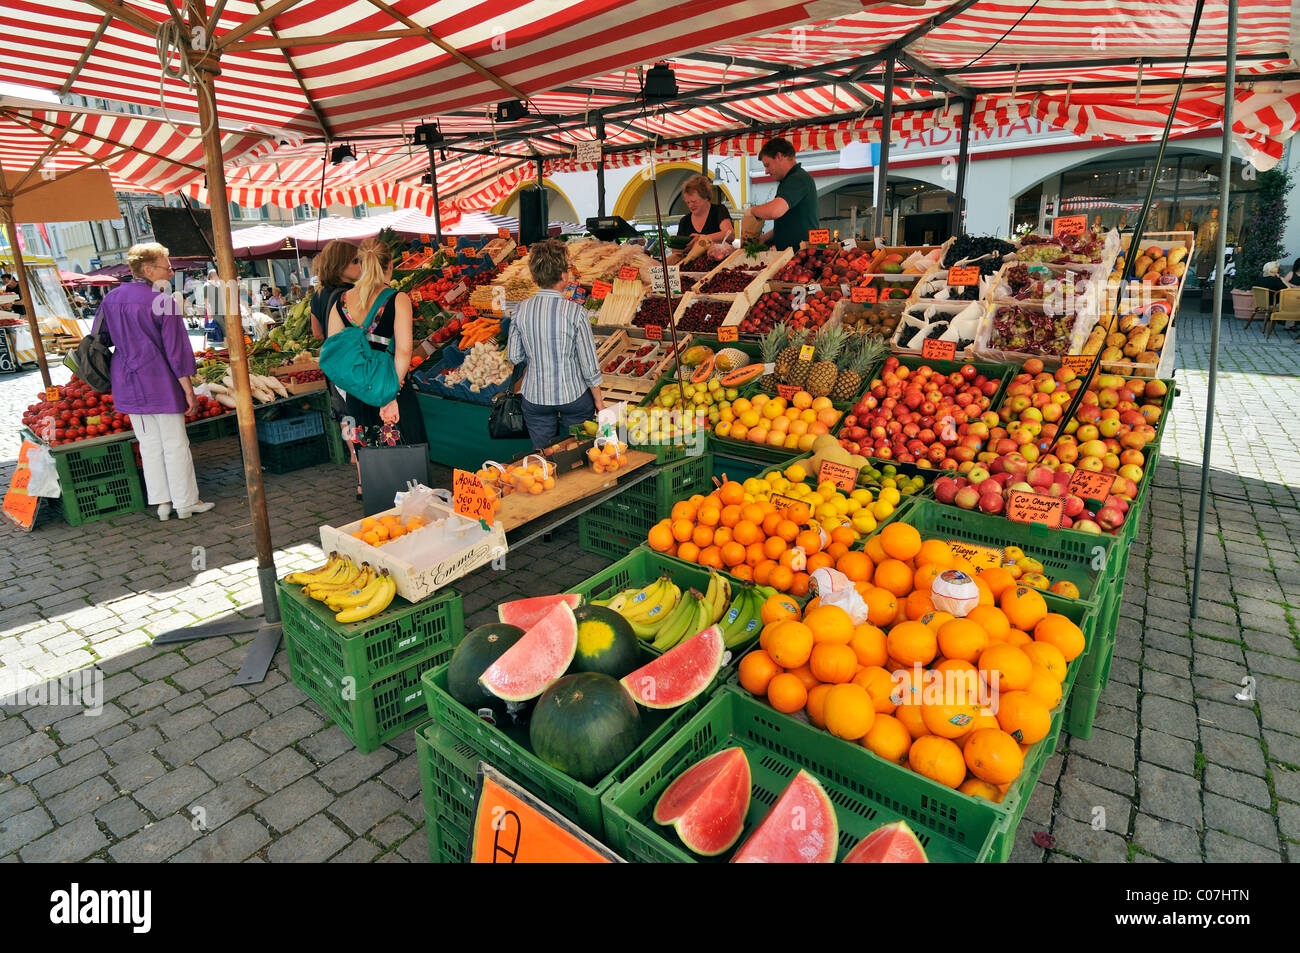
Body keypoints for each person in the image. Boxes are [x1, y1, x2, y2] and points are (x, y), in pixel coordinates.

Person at [95, 243, 214, 521]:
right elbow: (177, 351)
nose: (172, 273)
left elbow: (100, 338)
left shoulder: (111, 299)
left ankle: (162, 504)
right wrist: (189, 392)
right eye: (167, 267)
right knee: (174, 444)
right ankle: (185, 503)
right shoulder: (163, 301)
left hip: (127, 380)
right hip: (160, 381)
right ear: (148, 270)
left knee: (148, 445)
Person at [326, 238, 424, 495]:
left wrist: (358, 389)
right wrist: (389, 396)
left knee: (371, 462)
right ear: (389, 264)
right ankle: (413, 518)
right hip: (394, 390)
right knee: (408, 460)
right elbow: (403, 351)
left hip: (359, 395)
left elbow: (336, 354)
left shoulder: (341, 302)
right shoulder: (397, 299)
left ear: (361, 263)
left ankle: (379, 513)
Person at [507, 239, 604, 450]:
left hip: (535, 396)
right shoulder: (576, 312)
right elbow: (589, 364)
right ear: (564, 275)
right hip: (574, 397)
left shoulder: (520, 310)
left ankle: (546, 472)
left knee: (544, 454)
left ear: (534, 276)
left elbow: (514, 356)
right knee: (577, 450)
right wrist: (599, 401)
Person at [748, 137, 820, 250]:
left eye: (767, 165)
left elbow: (774, 211)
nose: (766, 171)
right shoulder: (790, 180)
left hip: (801, 258)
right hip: (793, 256)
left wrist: (752, 210)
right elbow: (788, 223)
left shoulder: (797, 179)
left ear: (779, 156)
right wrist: (764, 238)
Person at [310, 241, 361, 341]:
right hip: (351, 354)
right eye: (355, 261)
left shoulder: (318, 294)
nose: (360, 266)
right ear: (339, 265)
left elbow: (317, 333)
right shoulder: (351, 294)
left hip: (334, 354)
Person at [676, 174, 734, 242]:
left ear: (706, 197)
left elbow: (730, 234)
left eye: (694, 201)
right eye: (688, 202)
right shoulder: (684, 221)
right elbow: (676, 248)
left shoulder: (719, 211)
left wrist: (702, 238)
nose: (690, 206)